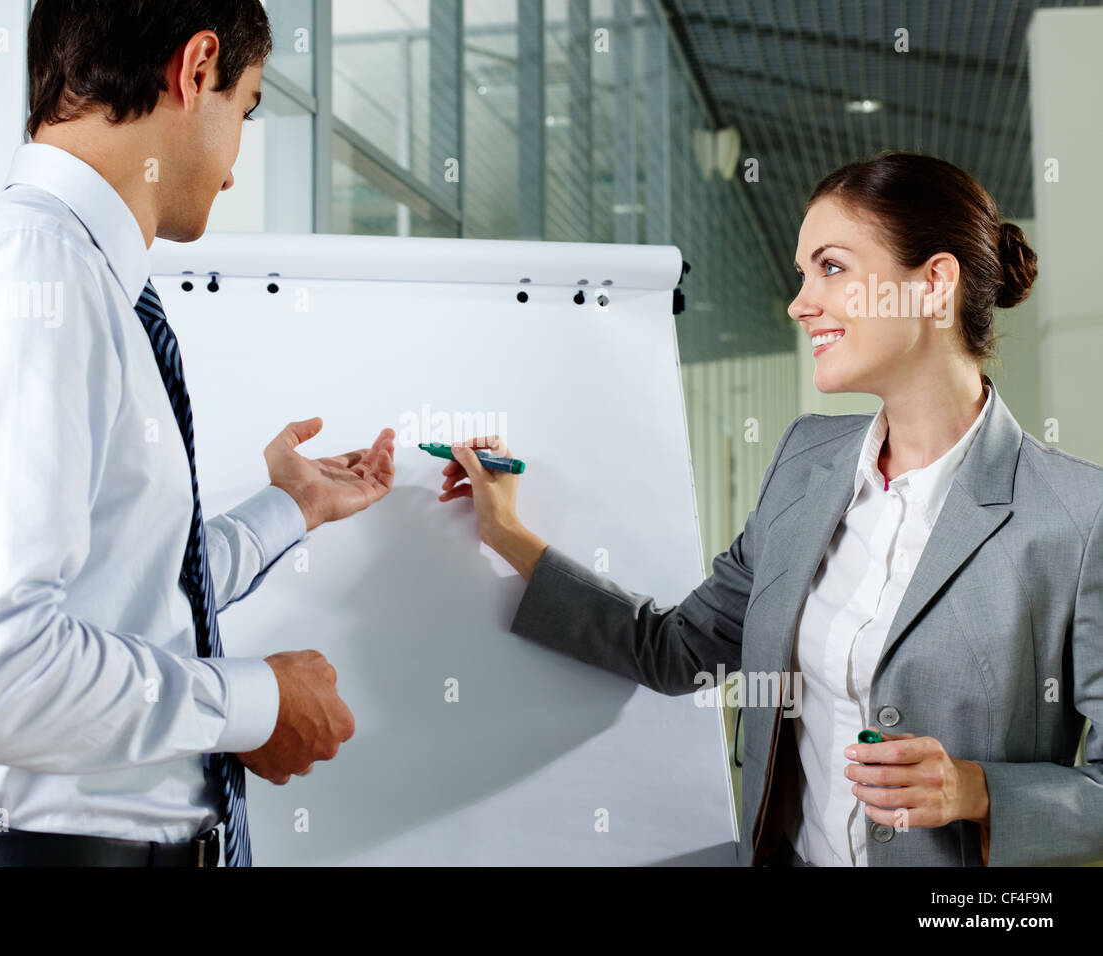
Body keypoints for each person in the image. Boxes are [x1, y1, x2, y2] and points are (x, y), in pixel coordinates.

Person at [0, 0, 392, 867]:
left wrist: (291, 508)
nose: (236, 170)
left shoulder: (68, 280)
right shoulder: (33, 277)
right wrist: (253, 705)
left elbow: (124, 590)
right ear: (196, 67)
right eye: (244, 109)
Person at [437, 151, 1103, 866]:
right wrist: (505, 533)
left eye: (832, 267)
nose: (800, 302)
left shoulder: (1077, 516)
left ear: (933, 284)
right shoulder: (805, 464)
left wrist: (977, 790)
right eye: (802, 274)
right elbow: (676, 650)